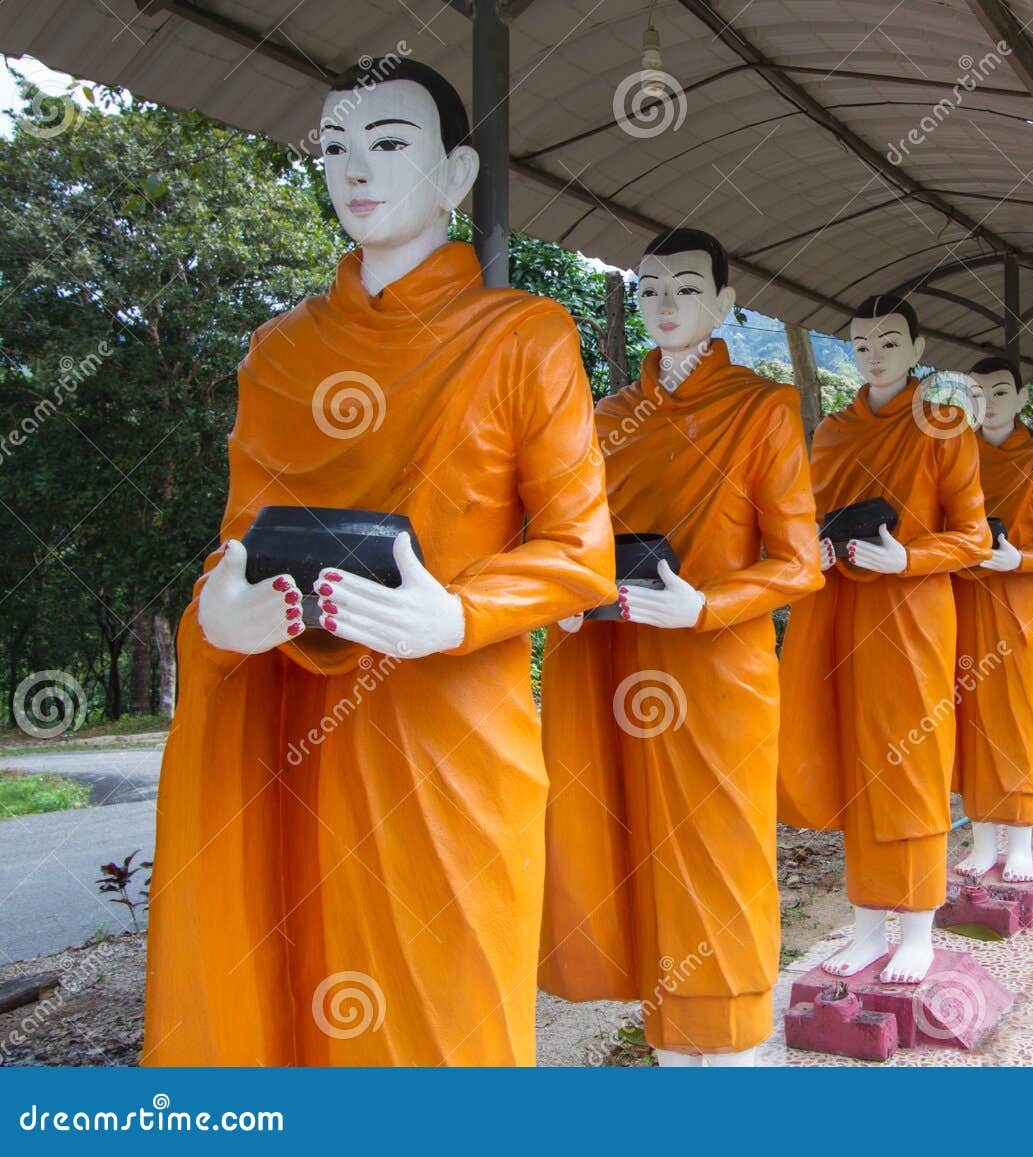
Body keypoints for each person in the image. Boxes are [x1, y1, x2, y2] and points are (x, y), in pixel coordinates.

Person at [143, 60, 615, 1065]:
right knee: (309, 1004)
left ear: (454, 173)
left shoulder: (524, 333)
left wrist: (455, 613)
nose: (357, 170)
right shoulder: (278, 350)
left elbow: (582, 551)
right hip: (298, 733)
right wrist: (218, 616)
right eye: (334, 149)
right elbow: (235, 543)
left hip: (452, 740)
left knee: (453, 1029)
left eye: (390, 143)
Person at [540, 229, 823, 1066]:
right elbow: (578, 537)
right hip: (624, 662)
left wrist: (708, 605)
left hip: (720, 672)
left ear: (726, 304)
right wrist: (565, 595)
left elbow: (799, 563)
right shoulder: (609, 417)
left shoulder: (762, 407)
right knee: (643, 851)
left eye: (686, 288)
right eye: (650, 287)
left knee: (721, 857)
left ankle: (738, 1052)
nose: (665, 305)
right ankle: (675, 1049)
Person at [778, 295, 989, 985]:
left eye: (889, 340)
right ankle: (869, 925)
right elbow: (810, 515)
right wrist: (816, 548)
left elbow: (975, 536)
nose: (873, 352)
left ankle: (919, 927)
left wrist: (909, 559)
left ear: (918, 344)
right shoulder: (835, 430)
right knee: (860, 764)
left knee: (914, 765)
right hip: (847, 618)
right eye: (861, 341)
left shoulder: (943, 425)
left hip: (916, 616)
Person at [951, 360, 1033, 882]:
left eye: (1000, 390)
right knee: (973, 721)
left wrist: (1021, 560)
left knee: (1020, 718)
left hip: (1023, 606)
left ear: (1023, 396)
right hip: (965, 601)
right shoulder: (955, 453)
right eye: (979, 392)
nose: (990, 400)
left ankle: (1022, 839)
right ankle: (983, 838)